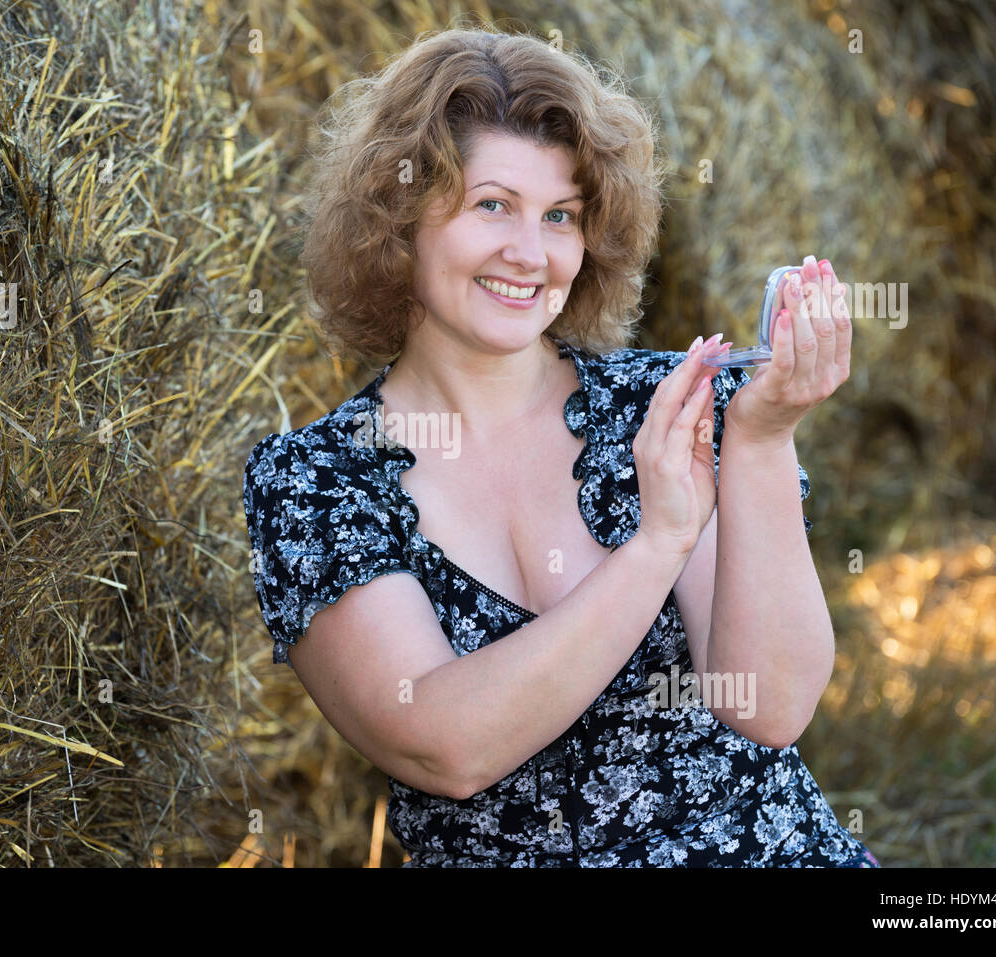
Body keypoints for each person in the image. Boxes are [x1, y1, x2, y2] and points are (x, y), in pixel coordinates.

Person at [242, 26, 879, 867]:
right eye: (492, 205)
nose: (530, 253)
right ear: (400, 219)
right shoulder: (316, 484)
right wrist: (656, 545)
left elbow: (772, 704)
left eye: (561, 216)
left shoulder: (671, 404)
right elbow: (444, 746)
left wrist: (760, 438)